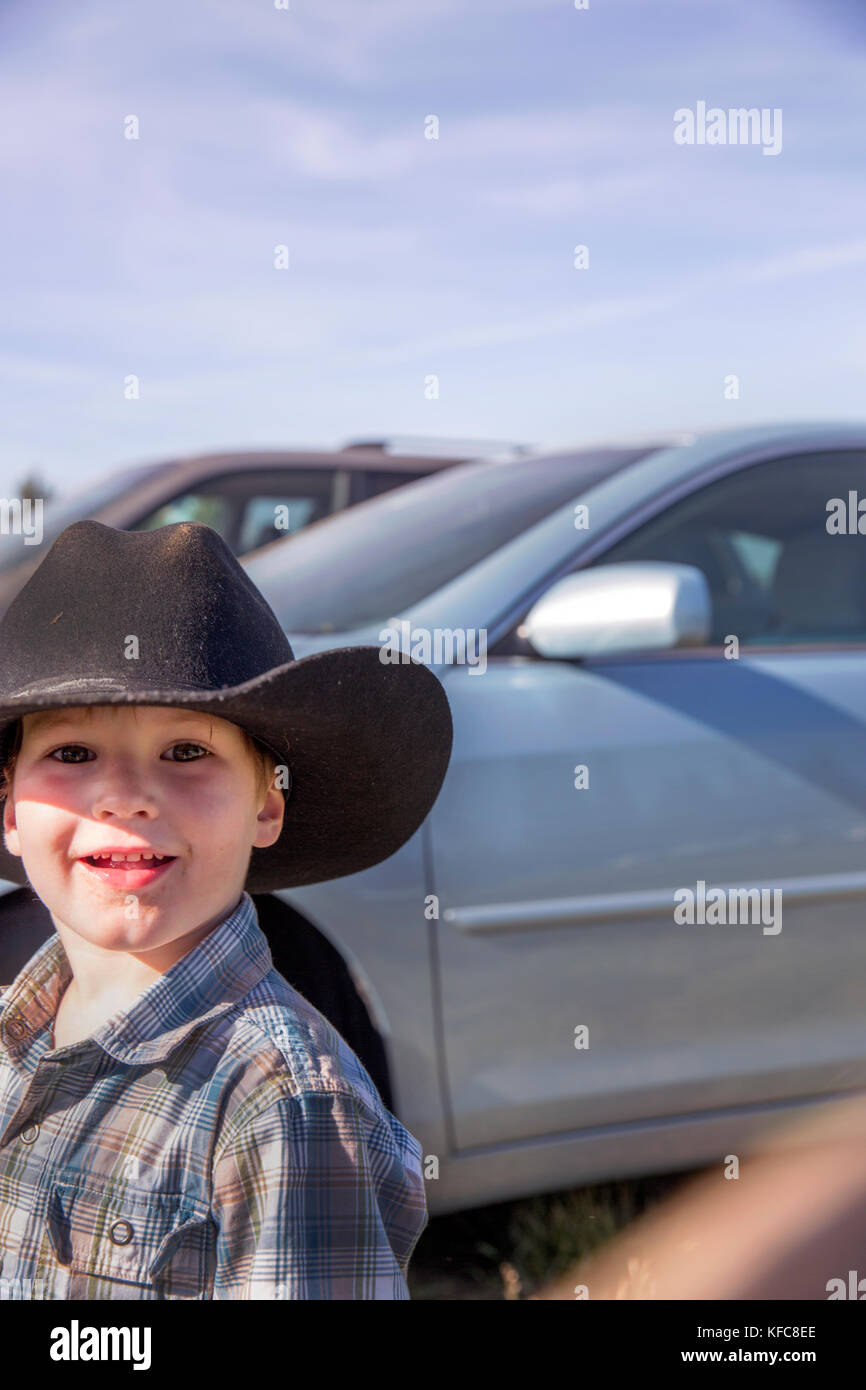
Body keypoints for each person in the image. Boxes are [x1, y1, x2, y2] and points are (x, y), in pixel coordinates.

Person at [0, 518, 452, 1300]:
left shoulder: (284, 1102)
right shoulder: (12, 1037)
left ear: (266, 806)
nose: (126, 797)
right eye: (72, 753)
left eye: (187, 752)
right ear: (8, 809)